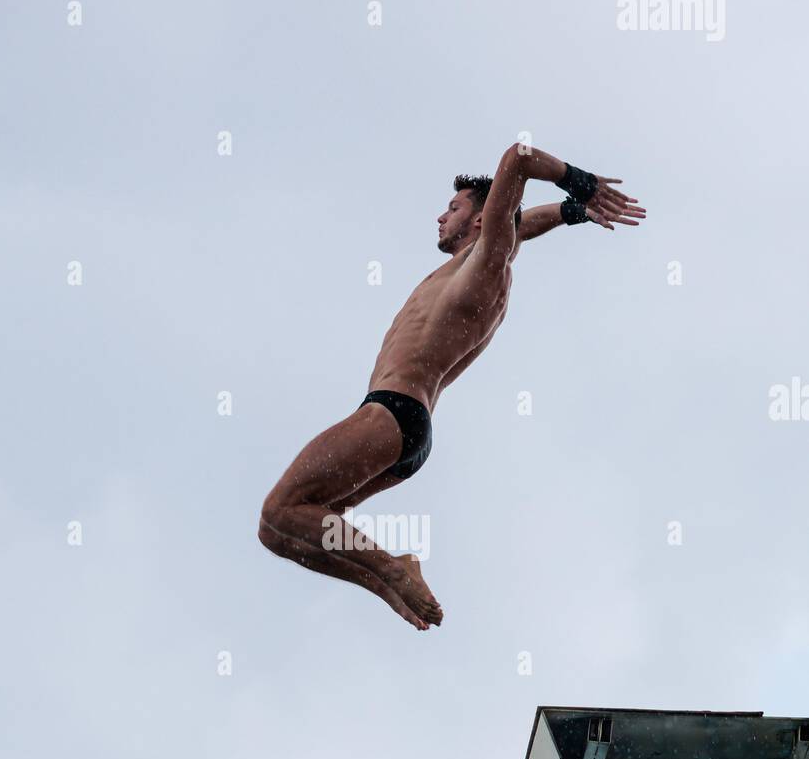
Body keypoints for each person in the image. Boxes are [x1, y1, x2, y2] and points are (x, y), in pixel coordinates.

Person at [259, 142, 645, 630]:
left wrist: (582, 183)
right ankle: (388, 580)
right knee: (281, 533)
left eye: (455, 207)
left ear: (482, 220)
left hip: (392, 414)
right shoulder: (478, 260)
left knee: (282, 507)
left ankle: (390, 569)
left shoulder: (489, 265)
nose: (441, 216)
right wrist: (573, 211)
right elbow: (525, 223)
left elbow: (520, 158)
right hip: (406, 433)